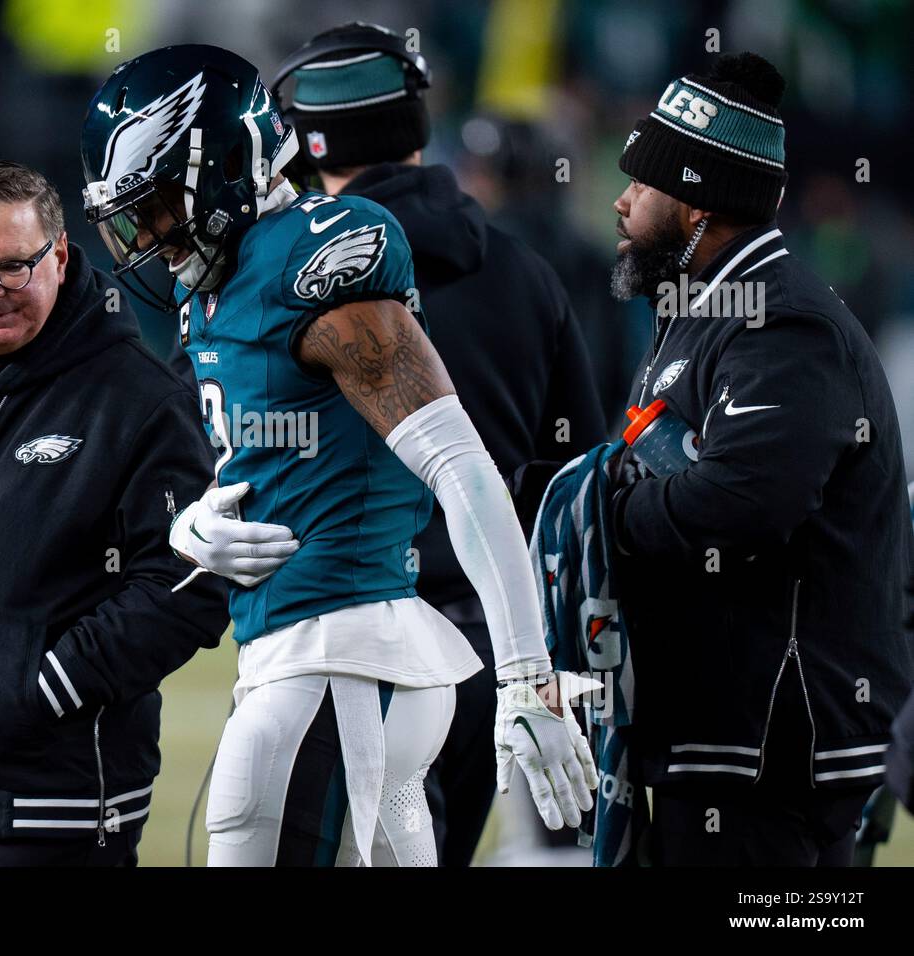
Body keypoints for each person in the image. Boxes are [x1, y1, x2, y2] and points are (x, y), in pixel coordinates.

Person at [82, 44, 596, 867]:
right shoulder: (219, 285)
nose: (145, 236)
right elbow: (220, 452)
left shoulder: (314, 258)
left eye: (157, 207)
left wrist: (529, 677)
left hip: (335, 663)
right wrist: (184, 524)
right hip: (324, 661)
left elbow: (462, 464)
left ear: (221, 170)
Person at [271, 21, 606, 867]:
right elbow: (574, 478)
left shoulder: (285, 277)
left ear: (303, 142)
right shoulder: (524, 271)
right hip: (489, 649)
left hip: (342, 642)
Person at [606, 52, 914, 865]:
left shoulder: (780, 322)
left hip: (772, 752)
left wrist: (599, 507)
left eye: (641, 183)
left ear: (697, 200)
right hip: (721, 737)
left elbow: (744, 501)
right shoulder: (700, 310)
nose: (621, 200)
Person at [0, 160, 227, 867]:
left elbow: (189, 588)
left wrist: (41, 687)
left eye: (12, 268)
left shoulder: (138, 398)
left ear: (58, 254)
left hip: (60, 805)